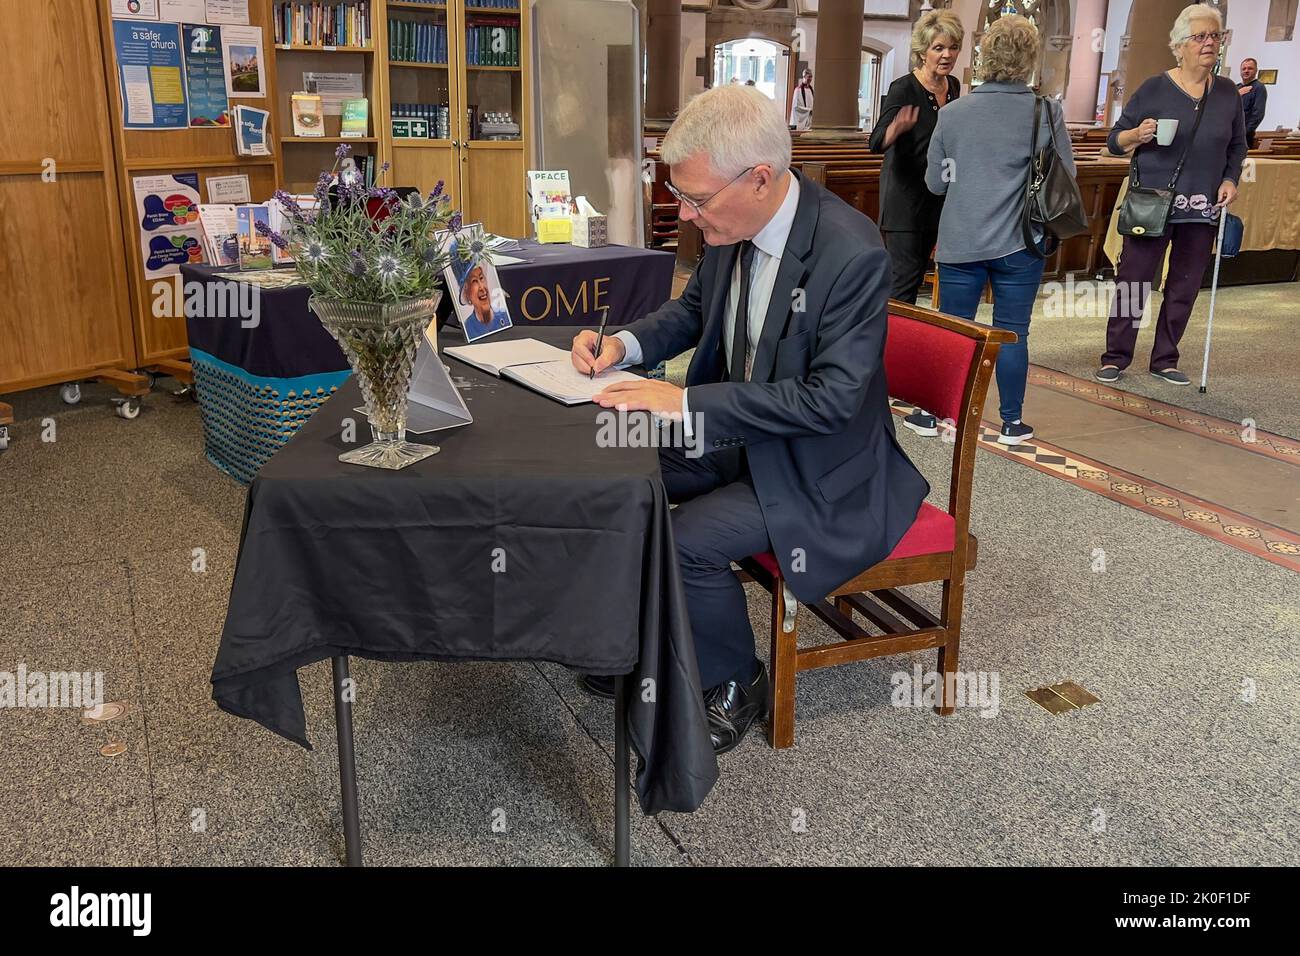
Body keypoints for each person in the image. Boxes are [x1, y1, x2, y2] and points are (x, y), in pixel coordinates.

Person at [569, 85, 928, 754]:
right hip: (741, 433)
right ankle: (639, 642)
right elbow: (691, 313)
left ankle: (736, 679)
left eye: (696, 199)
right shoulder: (733, 224)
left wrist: (682, 403)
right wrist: (624, 346)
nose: (687, 213)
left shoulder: (849, 252)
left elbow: (830, 401)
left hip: (816, 467)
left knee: (689, 542)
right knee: (611, 460)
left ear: (760, 178)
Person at [925, 14, 1074, 446]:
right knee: (1013, 331)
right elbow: (1067, 172)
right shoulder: (1046, 112)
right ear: (1030, 60)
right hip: (1020, 242)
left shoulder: (952, 113)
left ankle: (941, 417)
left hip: (961, 240)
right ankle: (1011, 423)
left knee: (955, 329)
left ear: (984, 55)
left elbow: (935, 183)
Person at [1095, 3, 1244, 387]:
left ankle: (1165, 358)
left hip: (1202, 208)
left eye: (1215, 36)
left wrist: (1230, 180)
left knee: (1185, 285)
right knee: (1134, 283)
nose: (1209, 43)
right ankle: (1116, 356)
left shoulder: (1228, 93)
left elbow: (1238, 147)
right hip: (1152, 204)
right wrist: (1136, 135)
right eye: (1201, 37)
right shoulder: (1154, 88)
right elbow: (1114, 141)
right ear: (1180, 45)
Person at [868, 9, 962, 438]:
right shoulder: (903, 87)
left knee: (929, 284)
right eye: (939, 47)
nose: (946, 55)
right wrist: (896, 128)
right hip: (906, 204)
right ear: (922, 51)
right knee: (902, 290)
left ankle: (913, 362)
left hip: (942, 198)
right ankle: (884, 371)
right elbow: (875, 142)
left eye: (952, 47)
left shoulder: (954, 88)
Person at [1237, 57, 1267, 146]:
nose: (1246, 71)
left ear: (1256, 70)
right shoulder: (1236, 87)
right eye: (1244, 69)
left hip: (1244, 136)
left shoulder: (1259, 88)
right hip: (1230, 133)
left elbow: (1258, 114)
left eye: (1250, 68)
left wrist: (1244, 132)